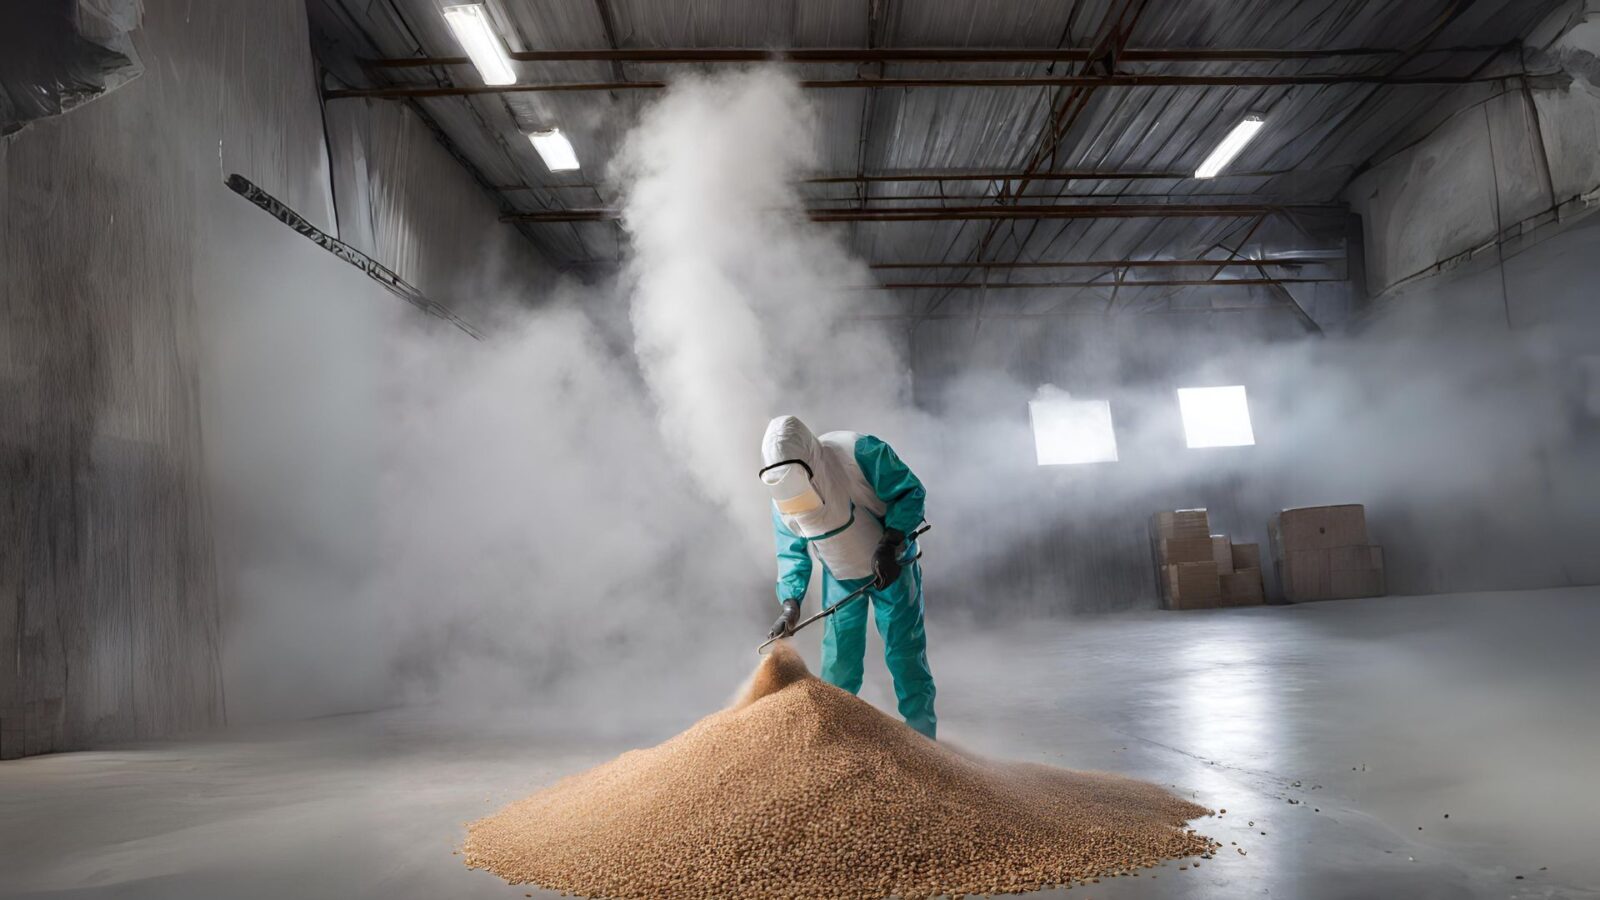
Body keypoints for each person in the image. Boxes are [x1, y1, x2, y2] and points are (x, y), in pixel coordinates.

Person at [759, 415, 936, 739]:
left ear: (811, 462)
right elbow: (791, 553)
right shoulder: (781, 502)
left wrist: (892, 541)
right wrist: (790, 603)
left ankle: (924, 742)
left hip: (891, 567)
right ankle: (836, 742)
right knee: (839, 663)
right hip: (839, 576)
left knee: (905, 654)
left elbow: (910, 493)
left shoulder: (858, 454)